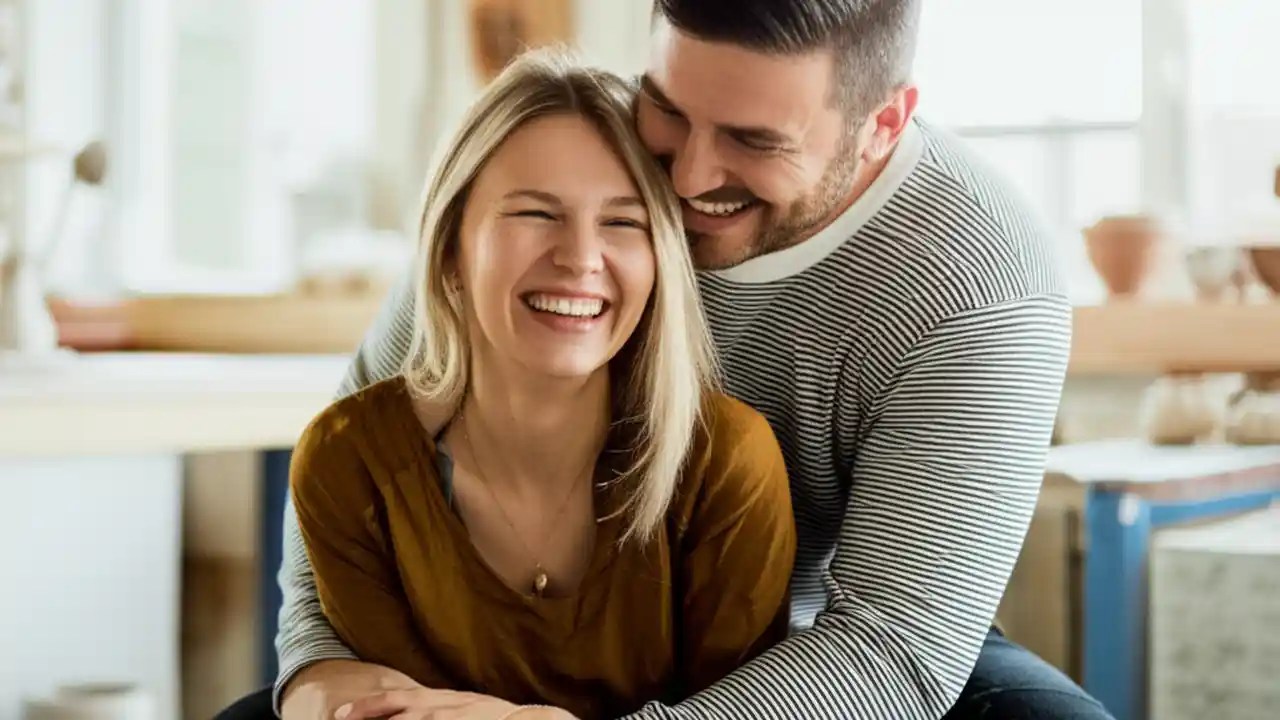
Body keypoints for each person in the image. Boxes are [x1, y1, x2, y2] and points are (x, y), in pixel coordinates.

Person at [232, 1, 1113, 718]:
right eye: (668, 110)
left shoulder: (983, 282)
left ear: (882, 124)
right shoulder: (587, 146)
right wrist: (315, 669)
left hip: (828, 637)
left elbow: (895, 652)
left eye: (752, 141)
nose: (687, 179)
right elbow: (366, 445)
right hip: (503, 623)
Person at [247, 49, 797, 720]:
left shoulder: (726, 463)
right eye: (535, 214)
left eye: (623, 223)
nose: (580, 258)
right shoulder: (350, 459)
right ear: (450, 248)